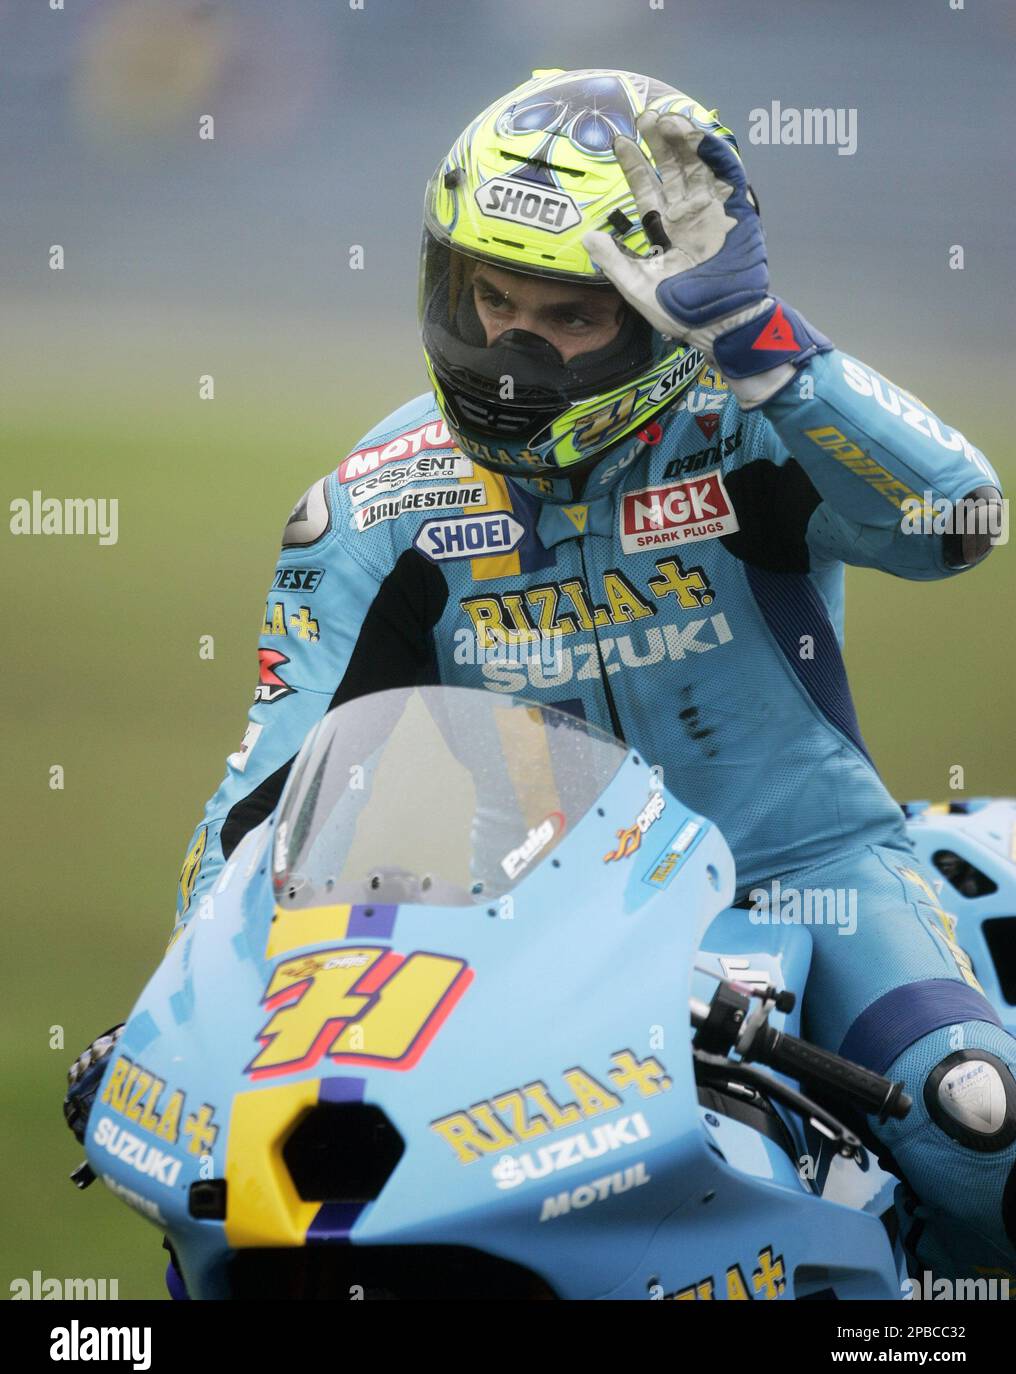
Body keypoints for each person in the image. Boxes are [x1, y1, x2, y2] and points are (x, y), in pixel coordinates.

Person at [67, 67, 1013, 1291]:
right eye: (489, 300)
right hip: (533, 926)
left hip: (812, 872)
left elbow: (959, 523)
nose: (513, 349)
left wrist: (765, 345)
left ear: (656, 313)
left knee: (970, 1114)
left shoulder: (745, 418)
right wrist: (180, 1010)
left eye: (567, 316)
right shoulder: (375, 501)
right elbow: (263, 799)